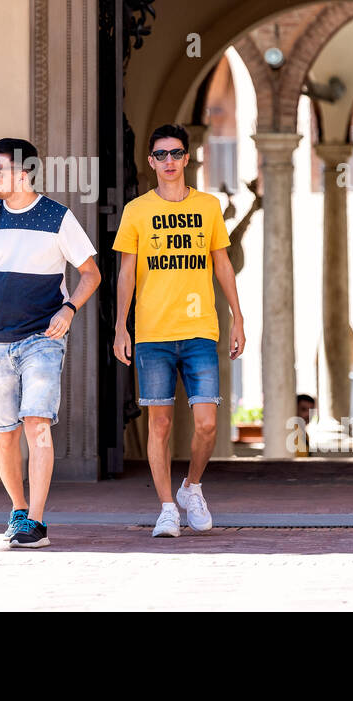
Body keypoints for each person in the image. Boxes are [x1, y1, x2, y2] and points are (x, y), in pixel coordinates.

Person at [0, 138, 101, 549]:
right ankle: (17, 508)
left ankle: (37, 520)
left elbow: (90, 273)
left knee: (36, 423)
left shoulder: (57, 217)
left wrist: (68, 310)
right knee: (6, 431)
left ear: (24, 173)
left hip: (42, 340)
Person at [112, 124, 245, 538]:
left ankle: (192, 487)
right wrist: (121, 326)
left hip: (201, 328)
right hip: (153, 332)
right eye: (161, 155)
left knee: (207, 422)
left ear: (187, 158)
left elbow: (222, 263)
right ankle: (167, 507)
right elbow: (126, 274)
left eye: (176, 153)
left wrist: (238, 316)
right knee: (160, 424)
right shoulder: (136, 211)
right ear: (151, 161)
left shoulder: (207, 207)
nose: (169, 161)